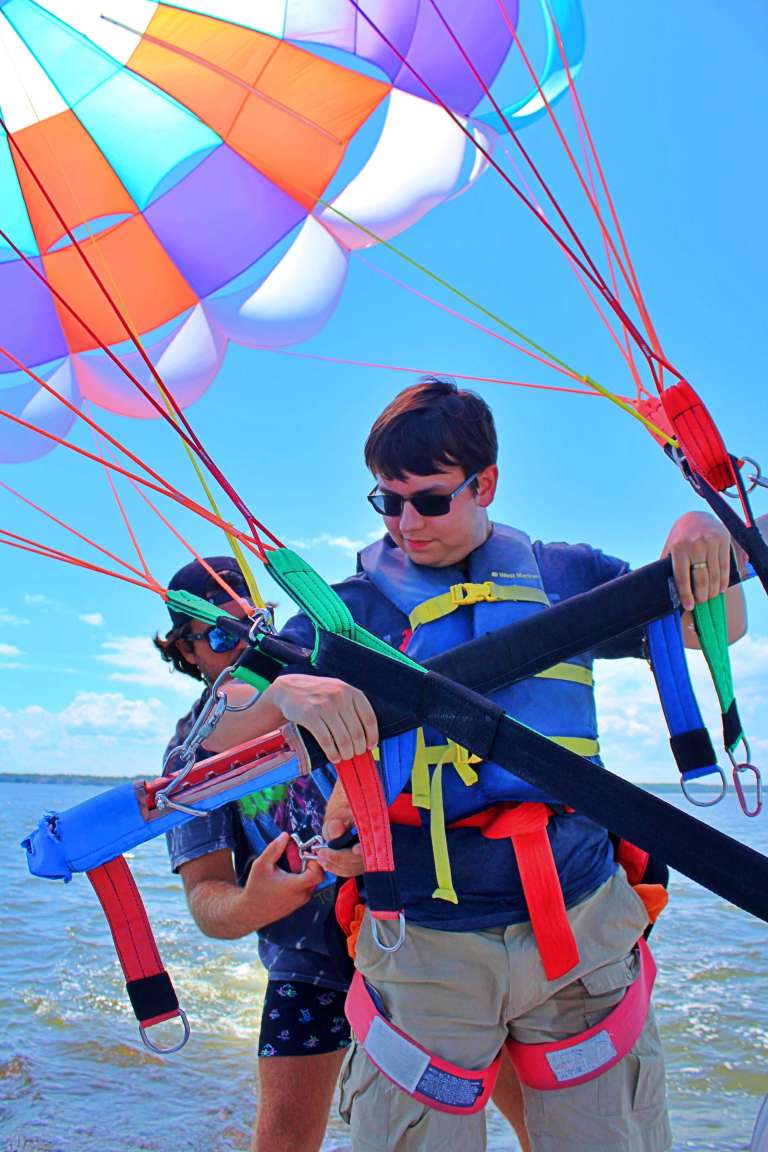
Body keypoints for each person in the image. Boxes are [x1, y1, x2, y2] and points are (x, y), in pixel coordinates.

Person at [192, 379, 747, 1151]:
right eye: (387, 502)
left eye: (429, 500)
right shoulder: (344, 613)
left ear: (485, 482)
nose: (406, 523)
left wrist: (697, 531)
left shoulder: (565, 575)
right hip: (425, 946)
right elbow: (217, 733)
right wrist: (286, 690)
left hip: (580, 927)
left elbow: (717, 625)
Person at [157, 557, 353, 1152]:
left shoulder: (330, 681)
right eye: (220, 636)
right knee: (284, 1141)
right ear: (187, 652)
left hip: (415, 926)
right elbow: (206, 900)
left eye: (254, 626)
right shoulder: (190, 759)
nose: (245, 647)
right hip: (307, 956)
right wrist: (253, 903)